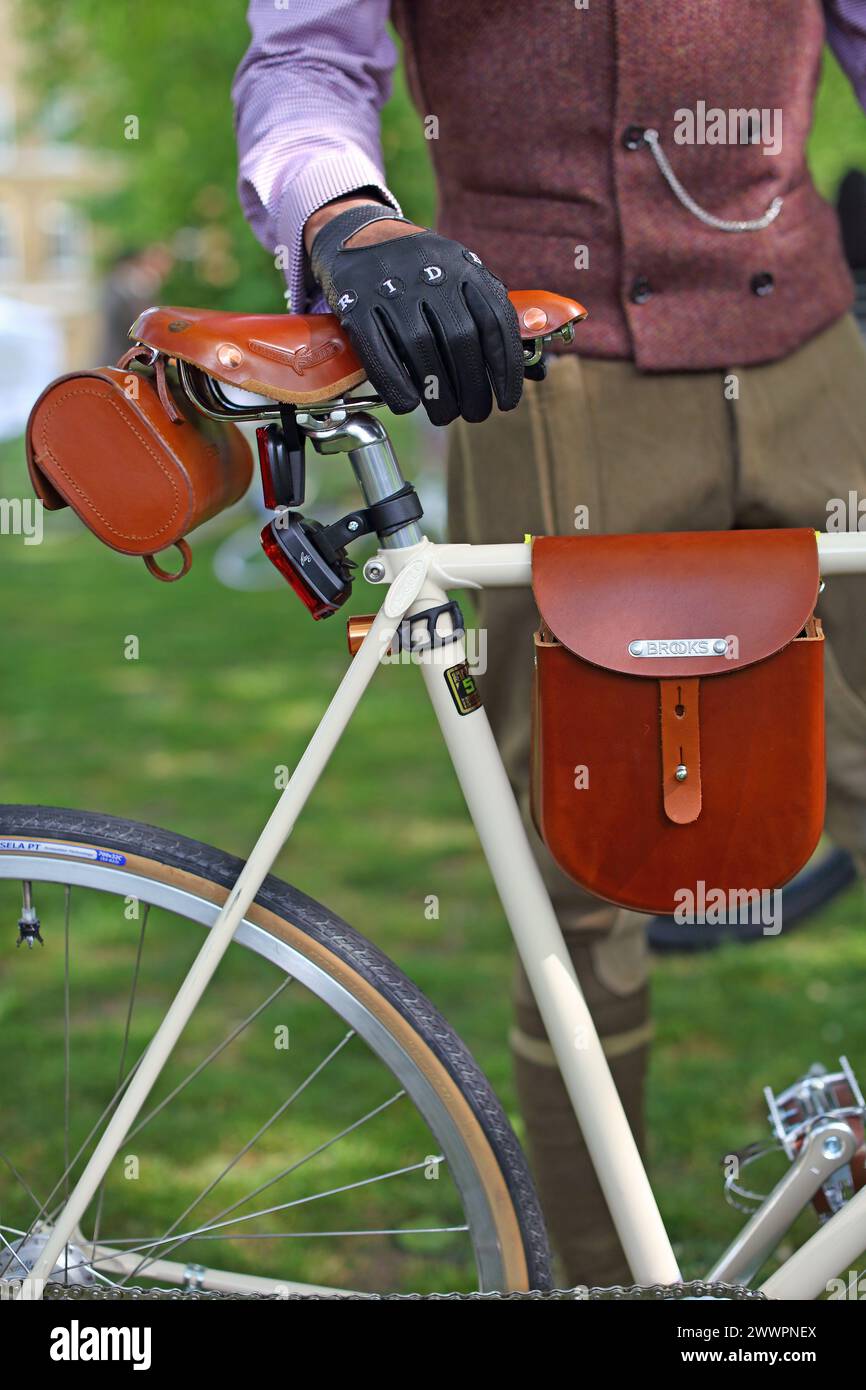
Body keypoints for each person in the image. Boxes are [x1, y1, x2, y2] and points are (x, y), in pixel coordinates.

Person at [233, 0, 866, 1286]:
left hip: (812, 354)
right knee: (581, 878)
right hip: (542, 376)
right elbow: (305, 58)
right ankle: (599, 1280)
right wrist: (345, 214)